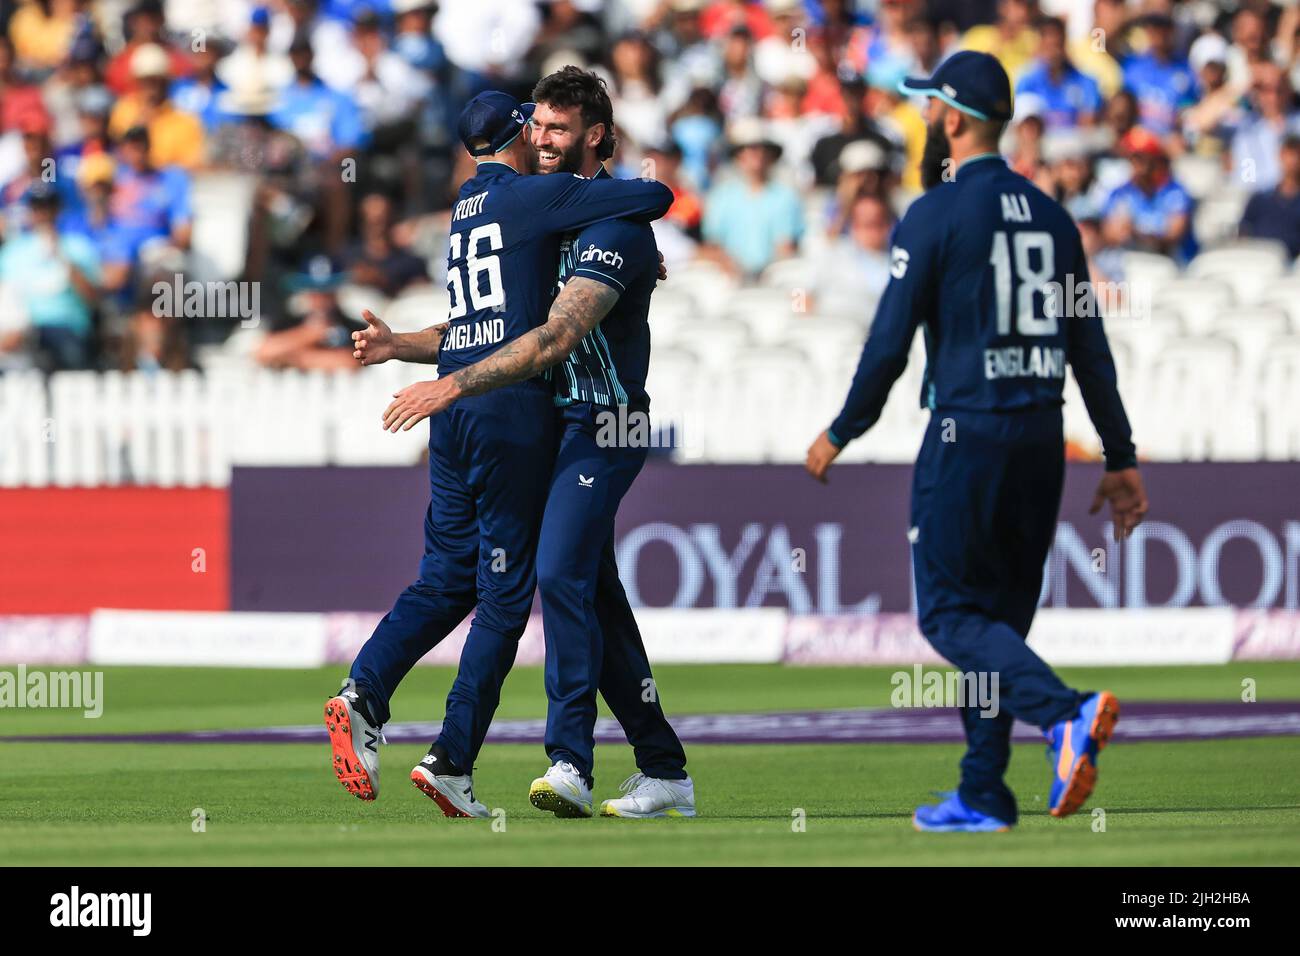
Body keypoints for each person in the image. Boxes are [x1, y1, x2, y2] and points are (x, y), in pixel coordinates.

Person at [804, 51, 1148, 832]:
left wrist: (839, 430)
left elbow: (888, 344)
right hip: (1040, 439)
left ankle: (1067, 714)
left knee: (951, 619)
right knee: (994, 627)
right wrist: (1120, 459)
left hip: (968, 433)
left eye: (929, 106)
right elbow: (1089, 349)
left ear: (954, 119)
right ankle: (985, 790)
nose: (925, 118)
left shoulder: (935, 212)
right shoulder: (1053, 216)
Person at [324, 90, 674, 818]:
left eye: (558, 127)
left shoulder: (474, 205)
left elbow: (524, 328)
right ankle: (457, 755)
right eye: (536, 125)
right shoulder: (536, 202)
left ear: (594, 134)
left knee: (488, 576)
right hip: (514, 412)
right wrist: (425, 362)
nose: (544, 136)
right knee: (527, 588)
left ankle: (377, 695)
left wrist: (413, 356)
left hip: (594, 421)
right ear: (518, 133)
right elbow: (655, 196)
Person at [1239, 134, 1300, 258]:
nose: (1293, 160)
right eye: (1289, 154)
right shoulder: (1260, 199)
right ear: (1280, 156)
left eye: (1297, 155)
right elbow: (1244, 233)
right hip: (1258, 262)